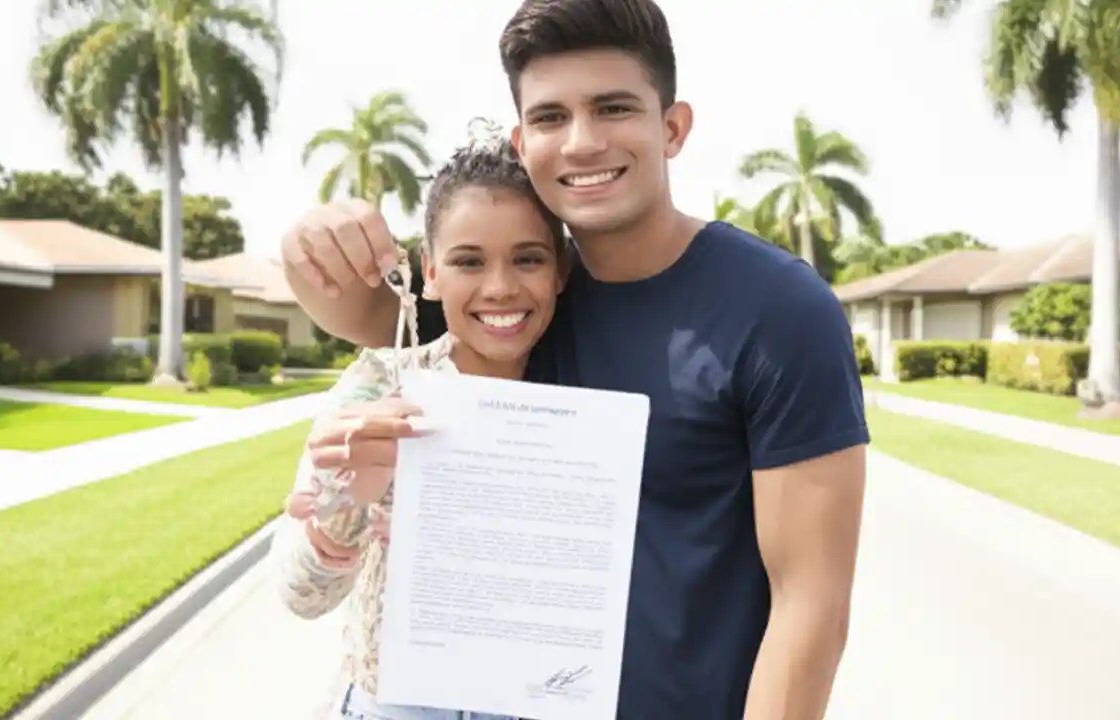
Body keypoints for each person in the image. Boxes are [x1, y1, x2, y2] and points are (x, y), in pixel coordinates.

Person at [279, 1, 870, 717]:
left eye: (614, 108)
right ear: (521, 141)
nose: (583, 141)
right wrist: (308, 238)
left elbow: (810, 604)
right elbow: (357, 309)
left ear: (673, 127)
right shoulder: (518, 302)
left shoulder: (777, 309)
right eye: (552, 117)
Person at [273, 137, 570, 720]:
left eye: (528, 258)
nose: (501, 287)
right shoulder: (380, 388)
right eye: (468, 261)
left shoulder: (584, 401)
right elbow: (301, 595)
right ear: (430, 273)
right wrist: (345, 506)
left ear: (560, 271)